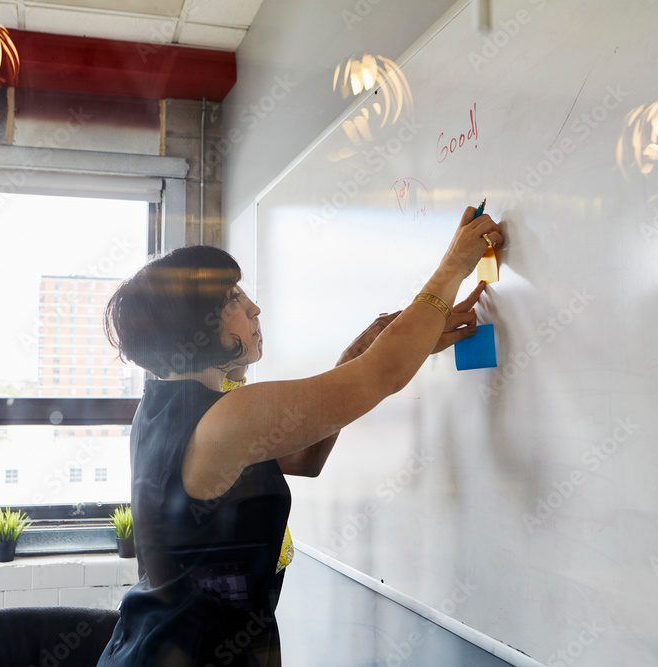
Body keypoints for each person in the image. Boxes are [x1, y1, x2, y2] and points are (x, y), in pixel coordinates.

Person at [95, 206, 504, 666]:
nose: (254, 308)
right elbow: (383, 375)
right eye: (231, 300)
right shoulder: (228, 417)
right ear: (193, 326)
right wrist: (453, 266)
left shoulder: (166, 407)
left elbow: (306, 455)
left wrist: (359, 351)